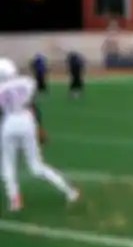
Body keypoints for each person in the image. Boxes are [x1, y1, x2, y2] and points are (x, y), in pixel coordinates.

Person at [0, 58, 79, 212]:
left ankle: (15, 200)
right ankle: (69, 190)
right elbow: (33, 105)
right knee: (36, 165)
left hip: (9, 123)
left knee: (8, 165)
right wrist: (40, 127)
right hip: (27, 120)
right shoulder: (27, 82)